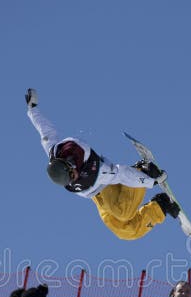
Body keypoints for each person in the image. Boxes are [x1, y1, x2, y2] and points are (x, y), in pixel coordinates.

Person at [26, 88, 180, 240]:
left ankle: (143, 170)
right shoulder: (55, 152)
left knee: (123, 212)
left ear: (72, 165)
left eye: (72, 175)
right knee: (125, 231)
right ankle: (161, 206)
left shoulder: (97, 170)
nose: (73, 180)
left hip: (109, 181)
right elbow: (46, 131)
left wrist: (149, 180)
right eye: (69, 180)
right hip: (97, 195)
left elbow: (122, 174)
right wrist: (32, 109)